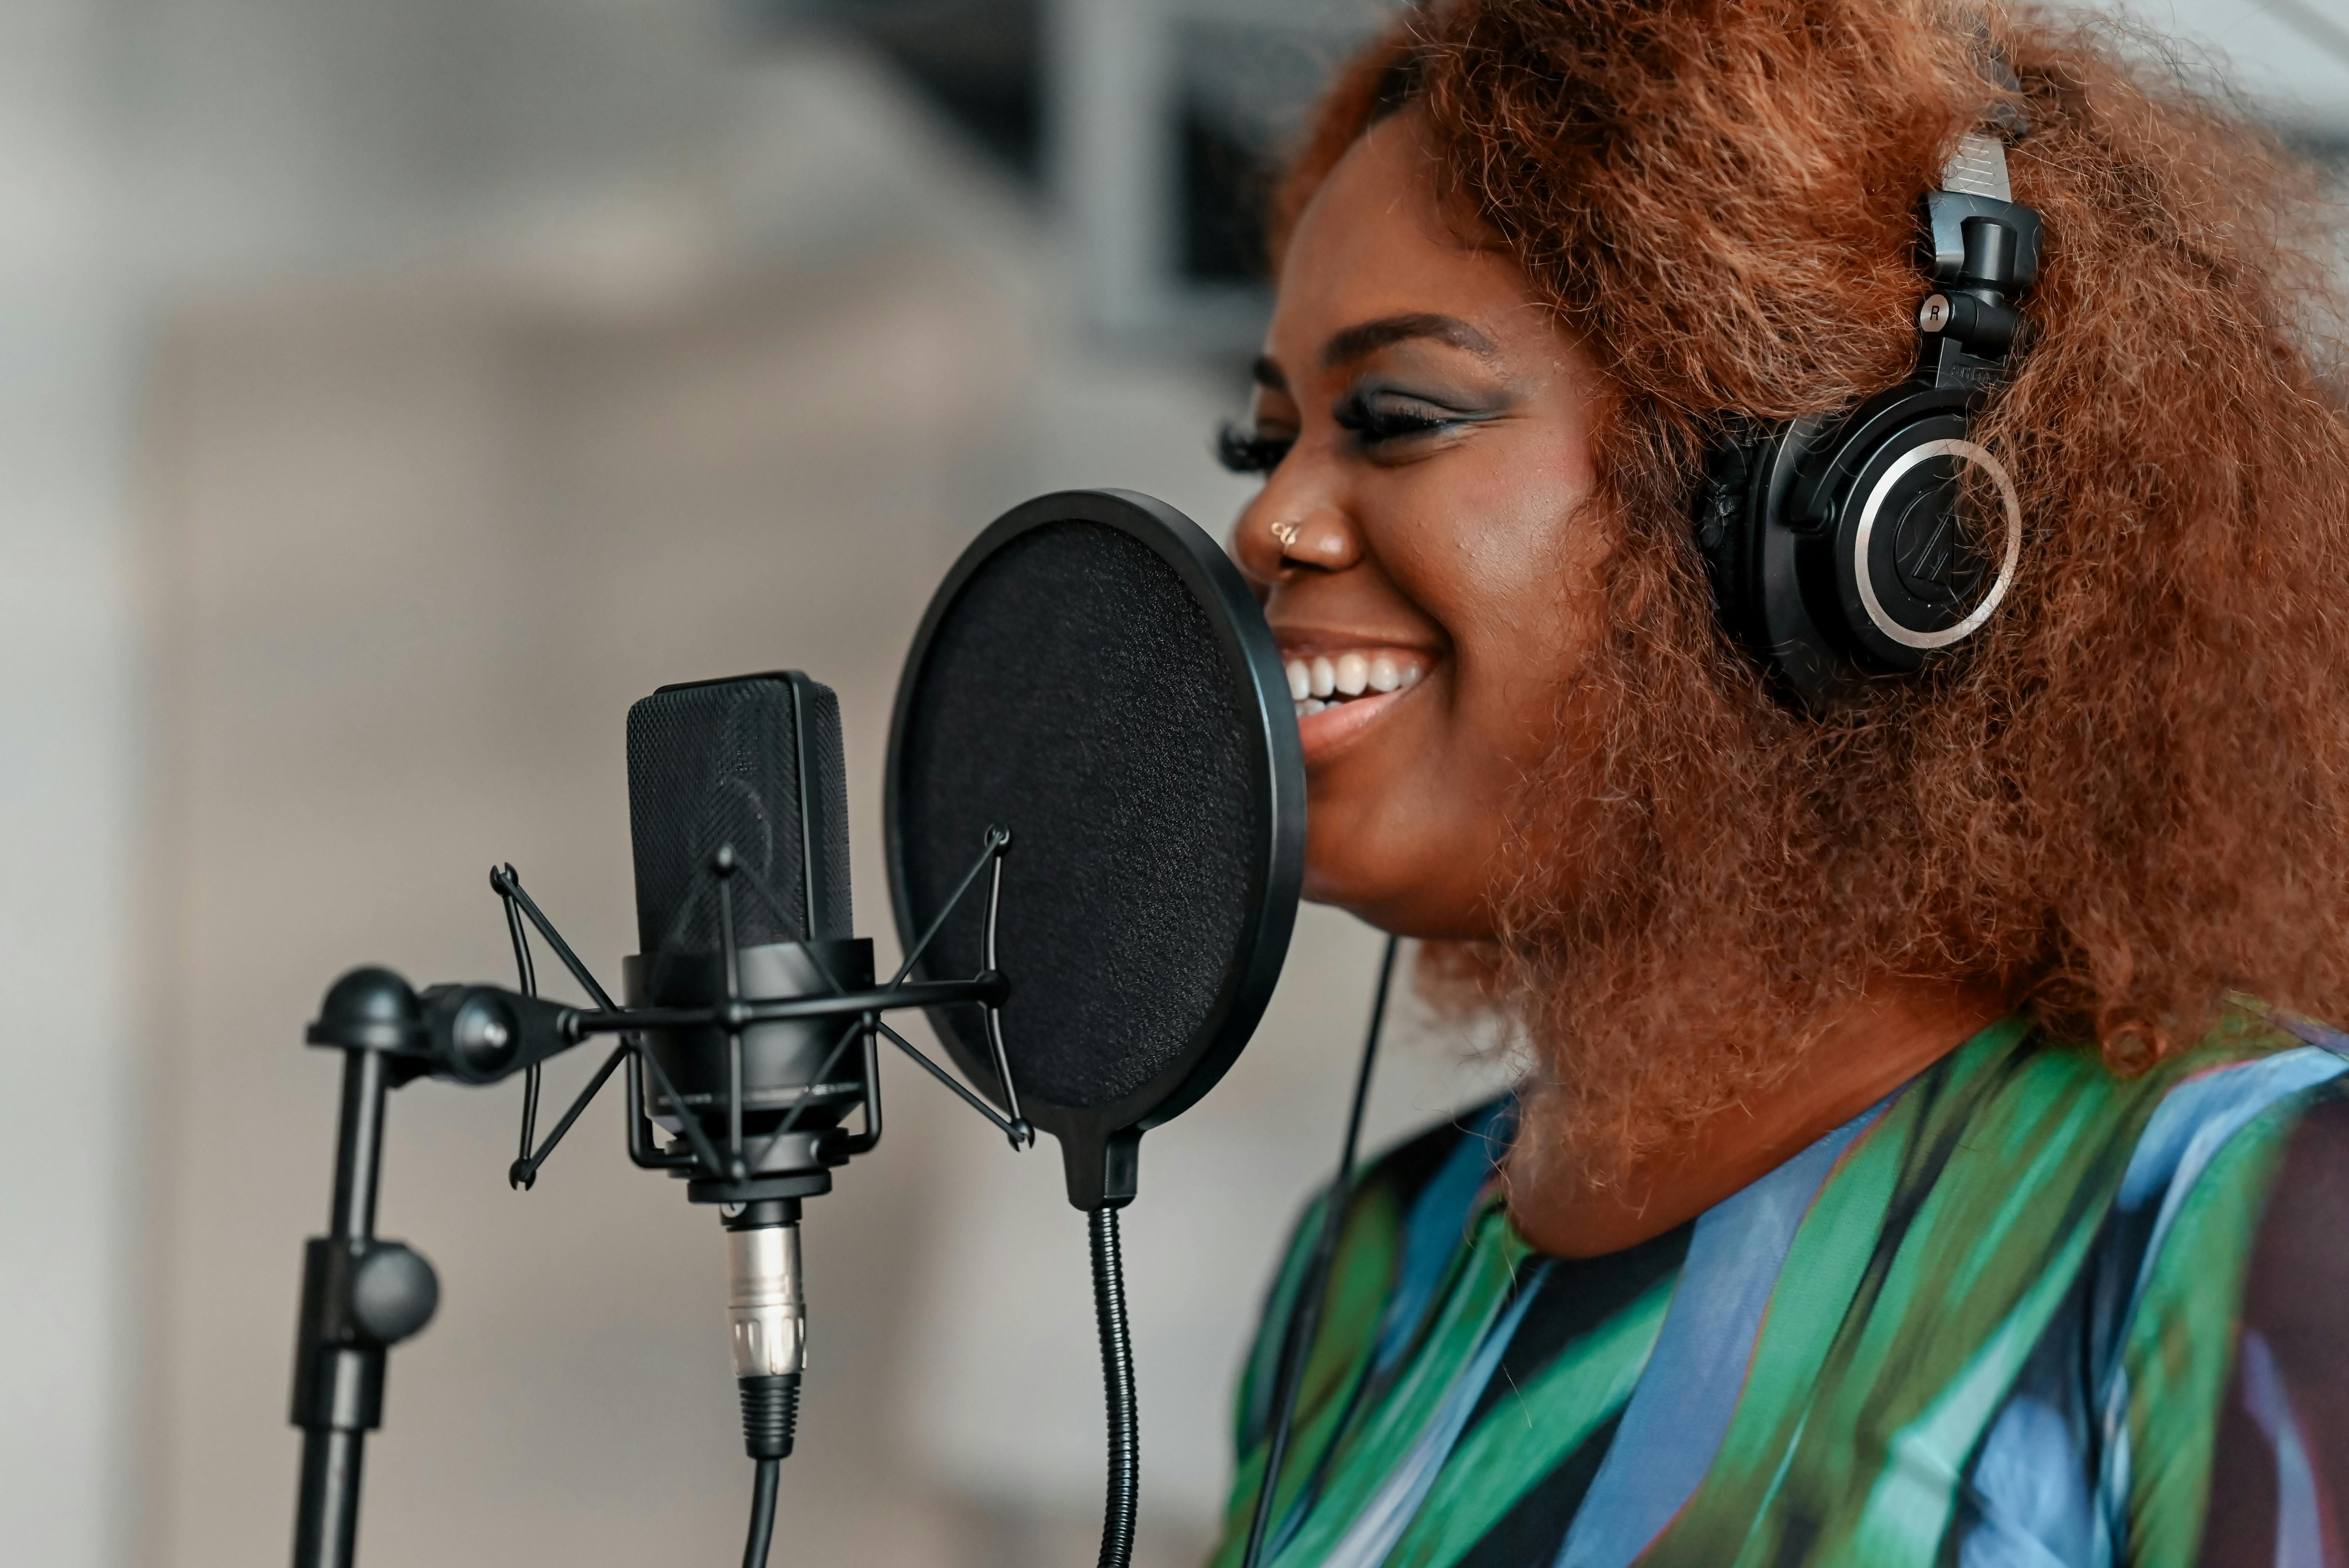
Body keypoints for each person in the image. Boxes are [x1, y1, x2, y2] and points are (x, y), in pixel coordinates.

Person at [1209, 1, 2349, 1563]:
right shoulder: (1363, 1268)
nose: (1265, 524)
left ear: (1861, 528)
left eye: (1394, 417)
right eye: (1266, 438)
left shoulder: (2249, 1216)